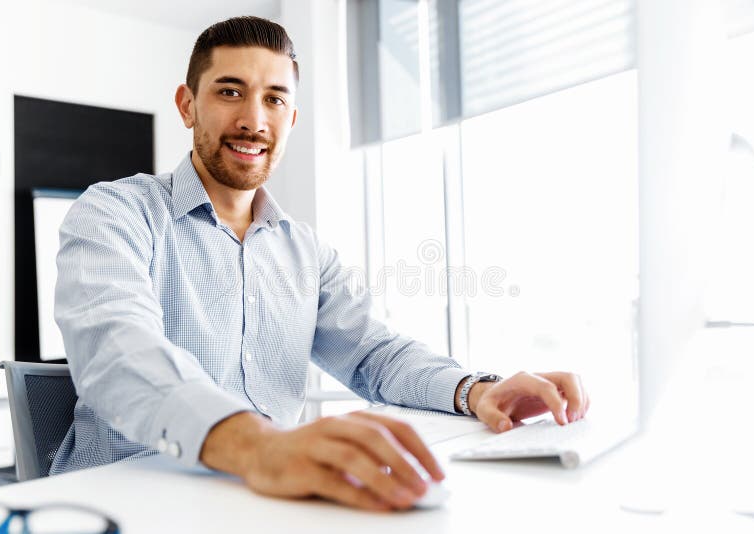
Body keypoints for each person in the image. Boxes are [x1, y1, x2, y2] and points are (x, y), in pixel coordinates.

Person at [53, 16, 590, 512]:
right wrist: (258, 445)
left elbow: (375, 355)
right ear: (187, 104)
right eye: (230, 91)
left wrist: (476, 391)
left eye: (275, 99)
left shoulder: (304, 250)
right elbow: (117, 349)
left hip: (256, 504)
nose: (252, 120)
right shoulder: (116, 212)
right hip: (116, 502)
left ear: (292, 117)